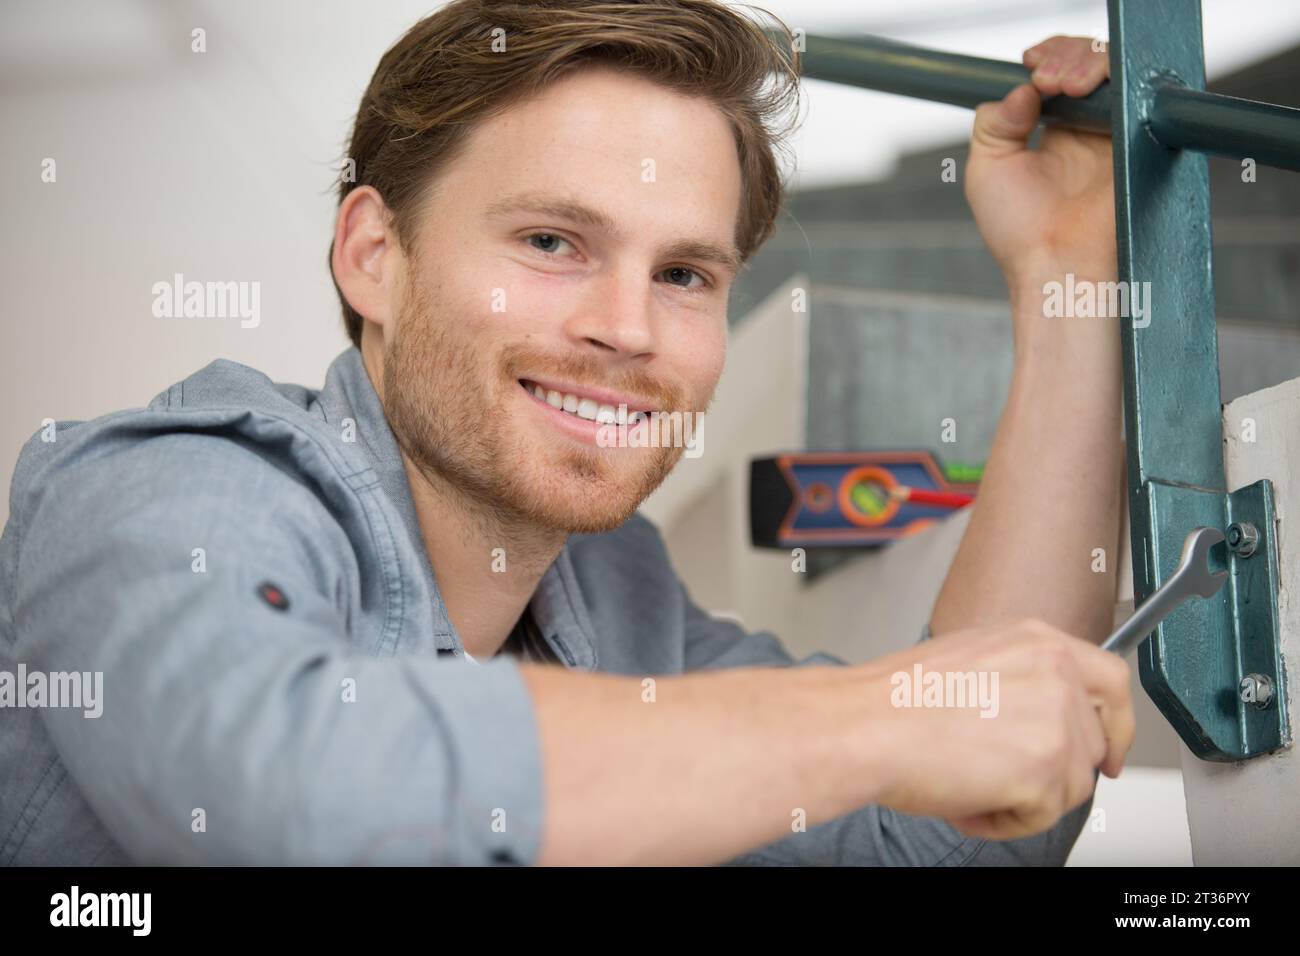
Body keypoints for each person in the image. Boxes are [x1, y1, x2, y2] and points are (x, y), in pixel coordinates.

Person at [0, 0, 1134, 866]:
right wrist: (879, 715)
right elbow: (291, 786)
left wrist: (1067, 274)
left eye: (685, 272)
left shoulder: (617, 602)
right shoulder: (170, 490)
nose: (628, 329)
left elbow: (944, 836)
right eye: (552, 242)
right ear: (372, 256)